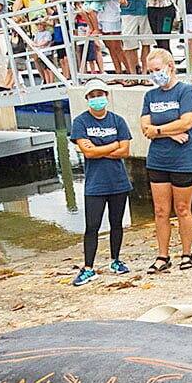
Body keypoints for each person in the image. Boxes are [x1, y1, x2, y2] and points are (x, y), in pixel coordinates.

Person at [140, 48, 192, 271]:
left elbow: (187, 122)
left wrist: (159, 130)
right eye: (150, 71)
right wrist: (168, 132)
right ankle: (162, 255)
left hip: (183, 160)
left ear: (170, 66)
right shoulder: (150, 96)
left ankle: (186, 253)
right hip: (158, 159)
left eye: (157, 69)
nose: (154, 74)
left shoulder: (185, 91)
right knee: (160, 210)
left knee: (183, 208)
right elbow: (145, 128)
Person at [69, 77, 133, 285]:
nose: (97, 99)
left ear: (106, 96)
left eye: (100, 94)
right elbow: (88, 152)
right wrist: (113, 145)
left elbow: (125, 150)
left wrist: (99, 149)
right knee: (92, 226)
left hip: (118, 182)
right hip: (95, 184)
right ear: (87, 98)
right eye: (93, 95)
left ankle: (116, 260)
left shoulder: (118, 121)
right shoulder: (81, 122)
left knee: (117, 223)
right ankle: (88, 267)